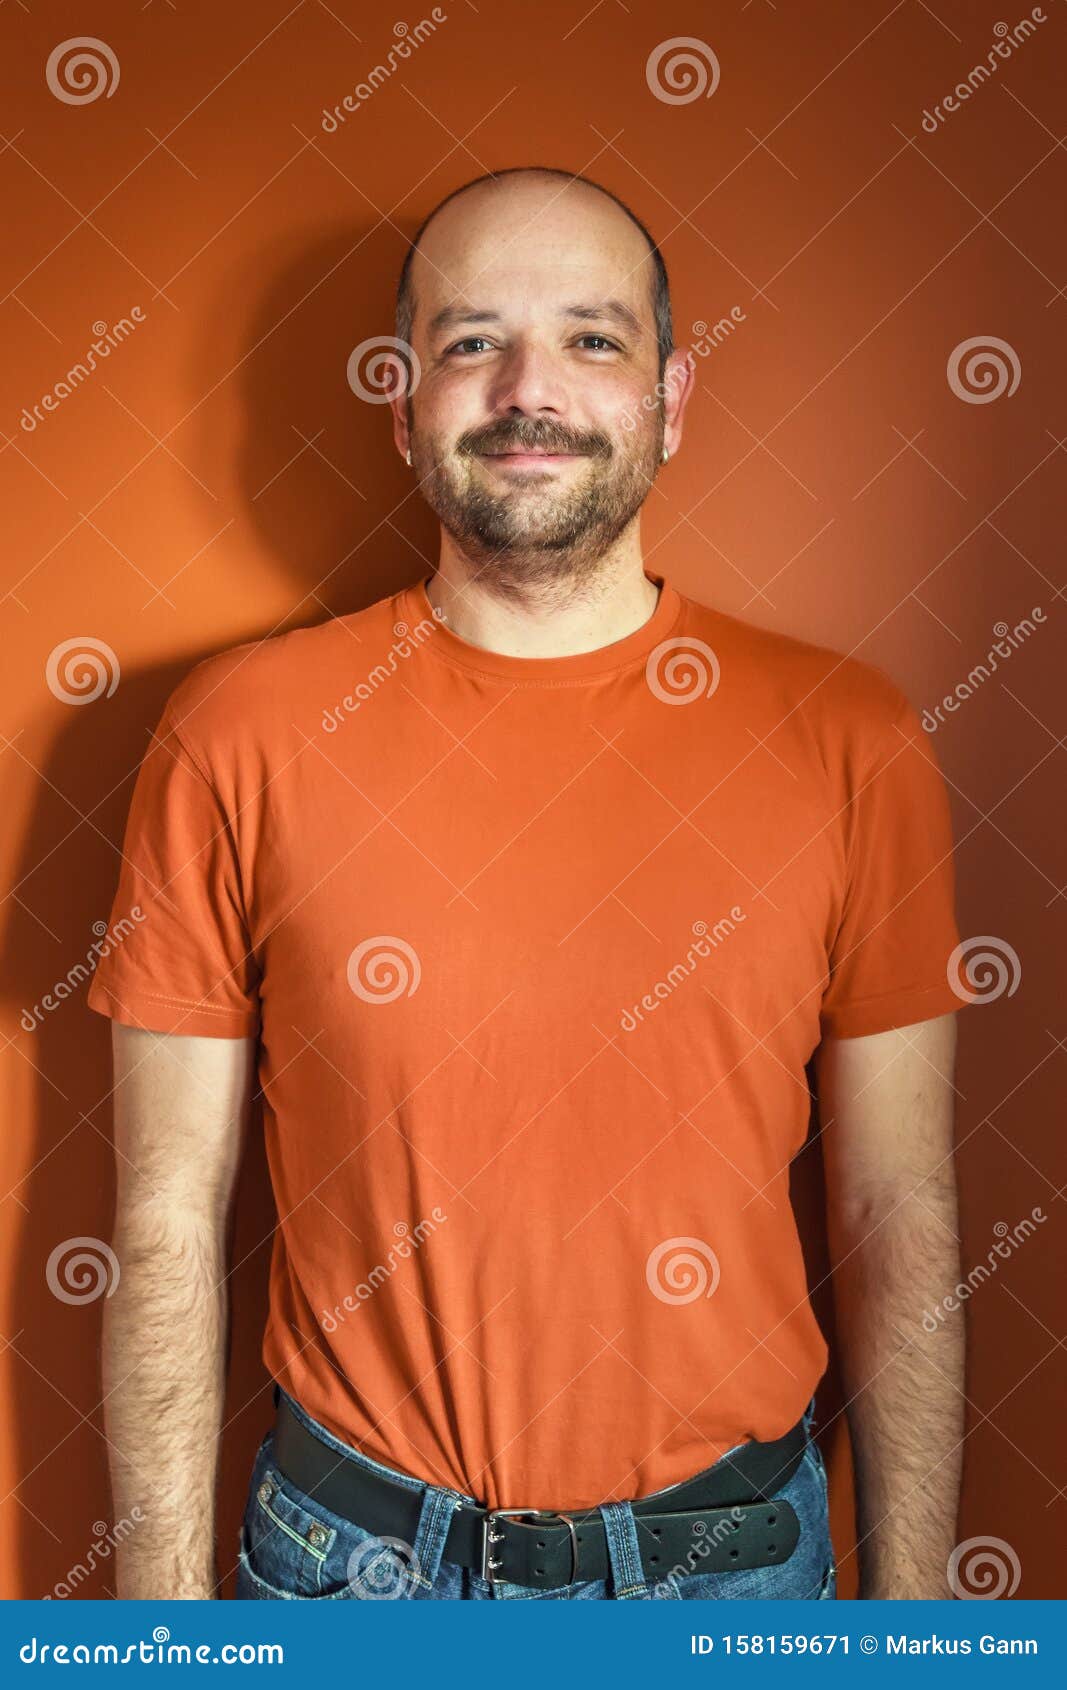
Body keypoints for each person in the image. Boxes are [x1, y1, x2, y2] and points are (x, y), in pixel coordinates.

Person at [89, 167, 966, 1601]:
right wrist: (160, 1646)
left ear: (671, 400)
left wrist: (916, 1625)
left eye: (592, 339)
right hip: (350, 1572)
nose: (528, 390)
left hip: (734, 1573)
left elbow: (897, 1212)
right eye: (472, 340)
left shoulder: (852, 741)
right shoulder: (233, 733)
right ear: (404, 405)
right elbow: (168, 1214)